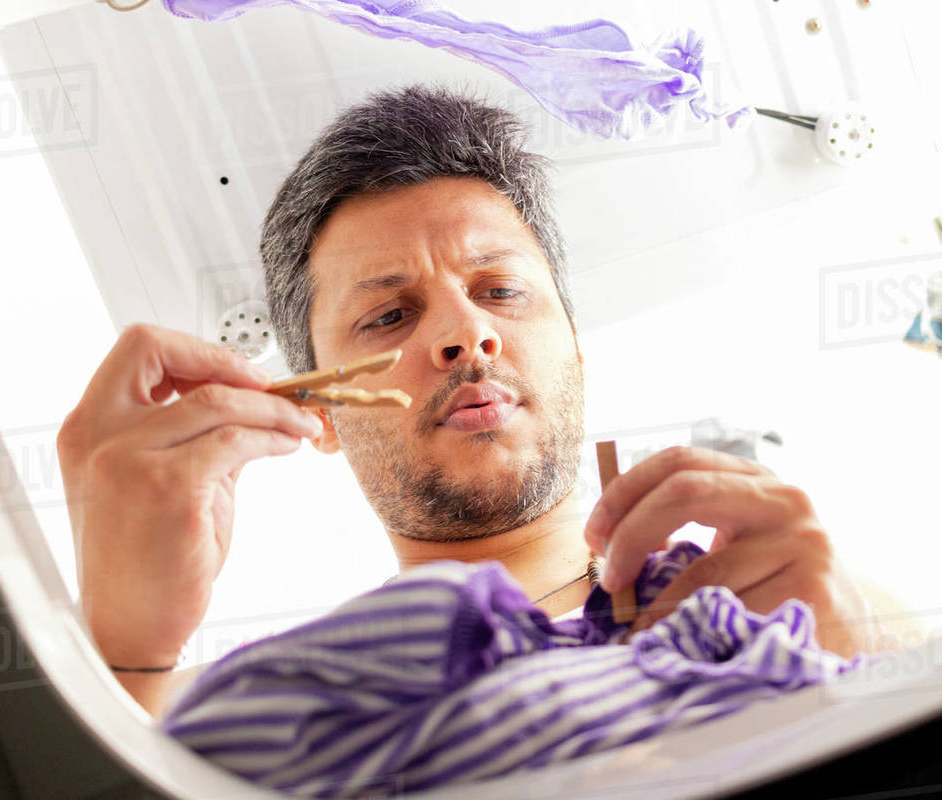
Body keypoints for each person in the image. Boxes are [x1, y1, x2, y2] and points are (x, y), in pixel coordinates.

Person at [56, 86, 878, 719]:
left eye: (501, 290)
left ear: (577, 348)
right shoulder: (253, 712)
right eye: (387, 315)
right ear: (319, 415)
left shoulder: (787, 596)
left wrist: (866, 673)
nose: (464, 332)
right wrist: (127, 654)